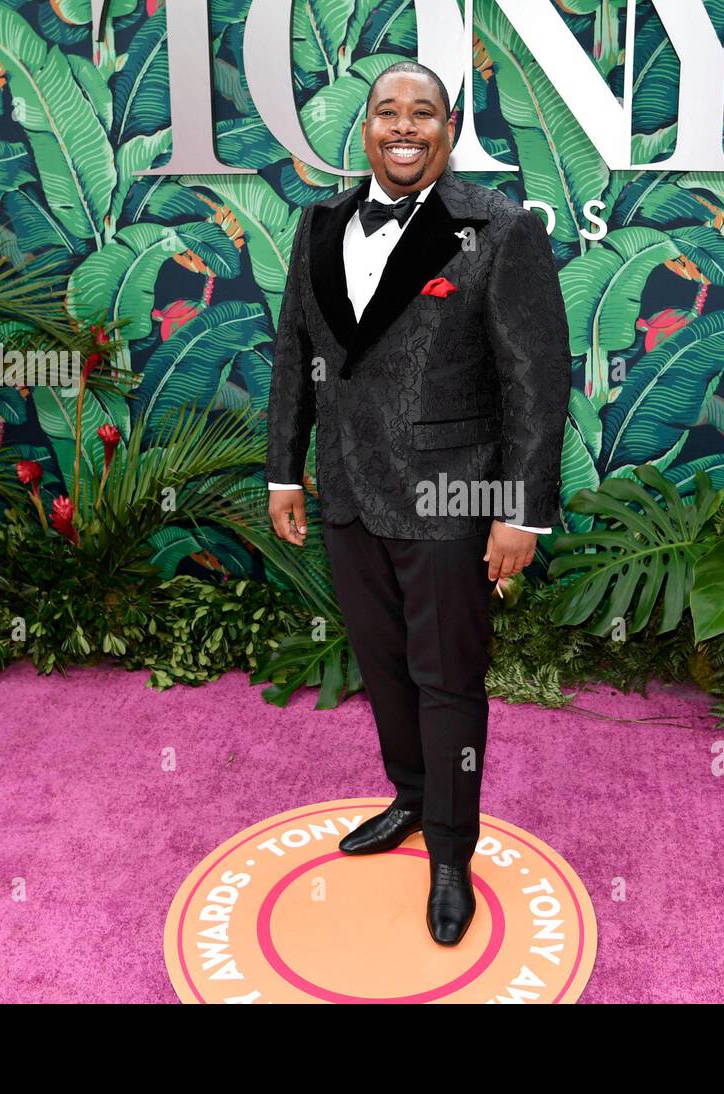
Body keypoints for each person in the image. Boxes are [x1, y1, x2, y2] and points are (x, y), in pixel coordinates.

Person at [265, 60, 569, 946]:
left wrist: (520, 512)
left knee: (447, 681)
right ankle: (409, 796)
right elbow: (295, 355)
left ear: (449, 126)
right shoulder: (318, 223)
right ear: (364, 127)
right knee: (386, 669)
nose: (405, 126)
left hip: (452, 501)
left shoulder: (498, 230)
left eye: (424, 113)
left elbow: (535, 382)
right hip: (350, 496)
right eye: (388, 112)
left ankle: (450, 850)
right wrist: (286, 471)